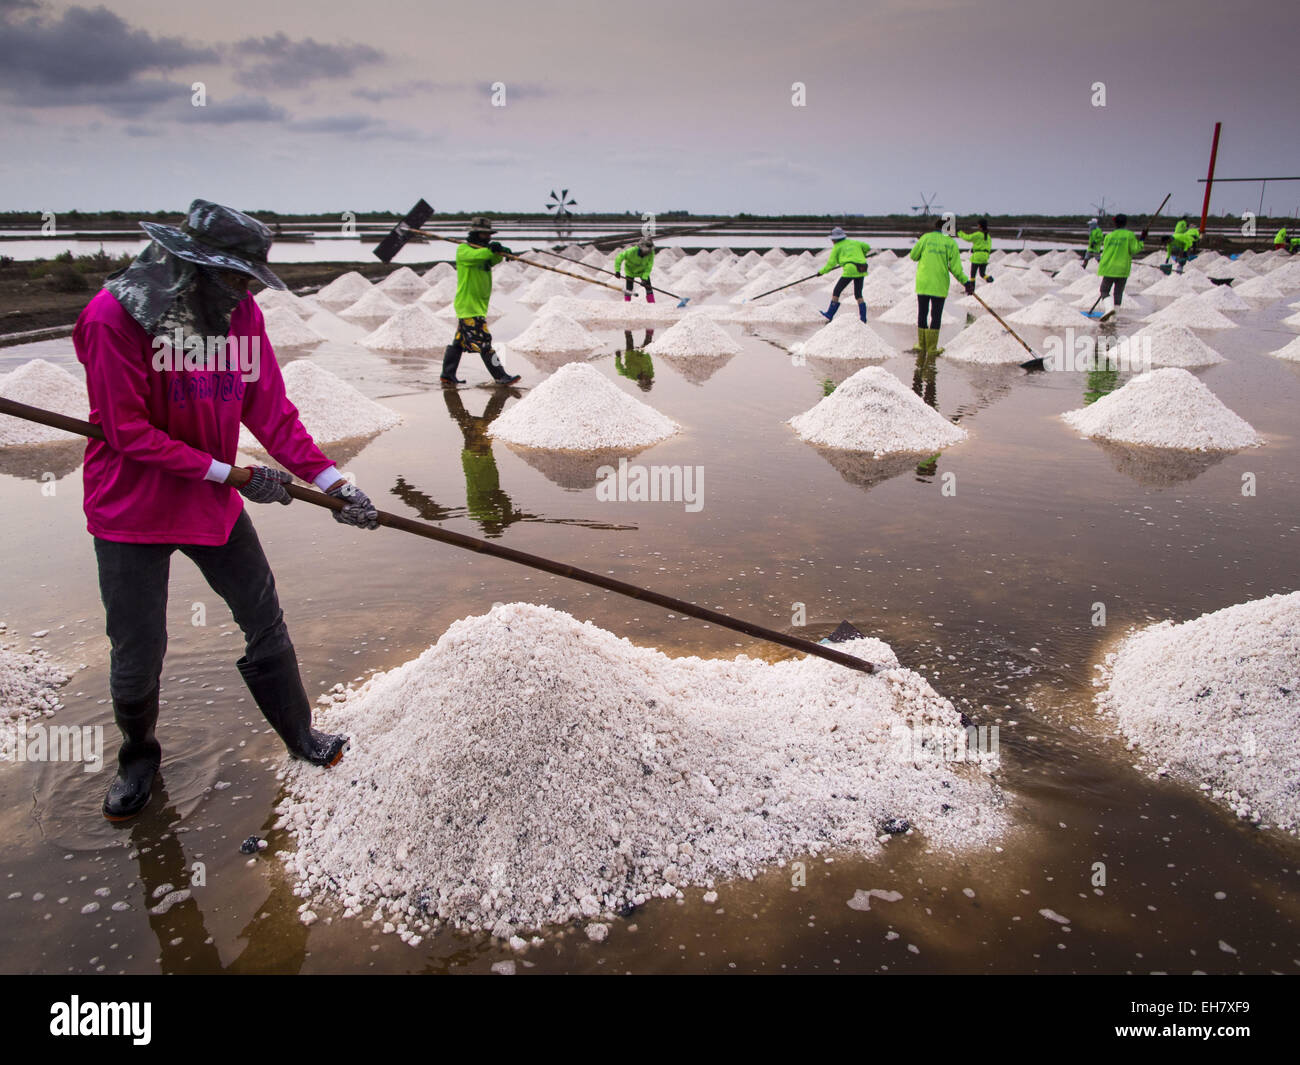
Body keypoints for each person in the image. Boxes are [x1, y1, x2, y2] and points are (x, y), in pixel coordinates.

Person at [73, 199, 382, 822]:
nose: (245, 292)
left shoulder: (239, 317)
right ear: (193, 267)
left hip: (209, 501)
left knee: (263, 613)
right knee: (138, 645)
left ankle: (300, 734)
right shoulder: (115, 319)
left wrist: (331, 480)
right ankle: (138, 756)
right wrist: (235, 474)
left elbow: (269, 408)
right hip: (132, 508)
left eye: (249, 280)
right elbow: (129, 431)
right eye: (235, 277)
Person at [441, 215, 521, 386]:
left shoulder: (483, 253)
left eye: (489, 235)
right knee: (484, 342)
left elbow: (492, 258)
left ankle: (447, 375)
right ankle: (501, 376)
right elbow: (478, 256)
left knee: (459, 342)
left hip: (476, 306)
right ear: (476, 234)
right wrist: (490, 250)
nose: (488, 238)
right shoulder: (464, 250)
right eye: (484, 235)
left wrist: (502, 251)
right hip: (469, 306)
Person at [909, 216, 974, 355]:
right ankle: (932, 349)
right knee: (936, 315)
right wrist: (966, 283)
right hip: (939, 284)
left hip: (923, 283)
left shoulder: (926, 238)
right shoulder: (951, 243)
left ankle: (921, 345)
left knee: (922, 313)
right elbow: (956, 269)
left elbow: (913, 256)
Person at [1095, 212, 1147, 315]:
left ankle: (1109, 309)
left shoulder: (1109, 236)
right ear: (1125, 223)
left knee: (1104, 291)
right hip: (1122, 268)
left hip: (1109, 267)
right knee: (1118, 293)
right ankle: (1114, 316)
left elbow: (1106, 250)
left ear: (1115, 223)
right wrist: (1142, 240)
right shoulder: (1129, 235)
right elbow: (1135, 250)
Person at [816, 226, 872, 322]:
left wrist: (821, 272)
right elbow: (867, 247)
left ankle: (830, 314)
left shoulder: (837, 247)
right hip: (861, 268)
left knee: (837, 291)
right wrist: (862, 254)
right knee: (858, 294)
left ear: (835, 239)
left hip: (850, 270)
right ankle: (863, 318)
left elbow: (831, 264)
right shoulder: (855, 242)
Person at [614, 239, 656, 303]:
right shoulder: (631, 251)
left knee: (649, 288)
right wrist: (617, 271)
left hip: (643, 271)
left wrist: (644, 278)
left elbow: (649, 266)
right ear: (641, 248)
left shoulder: (651, 253)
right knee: (629, 289)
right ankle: (627, 304)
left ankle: (652, 304)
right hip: (630, 271)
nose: (648, 253)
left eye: (650, 250)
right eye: (647, 251)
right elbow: (619, 258)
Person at [956, 218, 994, 285]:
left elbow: (967, 238)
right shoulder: (988, 236)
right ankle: (989, 279)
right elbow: (989, 247)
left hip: (977, 257)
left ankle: (971, 289)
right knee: (982, 273)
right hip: (985, 257)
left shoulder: (978, 234)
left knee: (973, 274)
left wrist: (959, 232)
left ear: (980, 225)